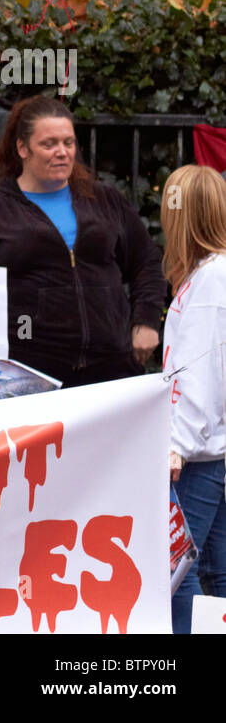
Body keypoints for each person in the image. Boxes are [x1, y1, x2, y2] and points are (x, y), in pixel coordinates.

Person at [0, 96, 165, 387]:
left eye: (68, 142)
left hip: (113, 370)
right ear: (22, 148)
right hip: (30, 376)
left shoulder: (104, 200)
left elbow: (146, 261)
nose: (62, 152)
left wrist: (146, 321)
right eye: (49, 144)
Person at [160, 165, 226, 633]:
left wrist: (175, 444)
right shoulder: (211, 276)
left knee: (175, 575)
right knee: (215, 575)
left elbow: (197, 375)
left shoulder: (209, 283)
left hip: (196, 456)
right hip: (211, 451)